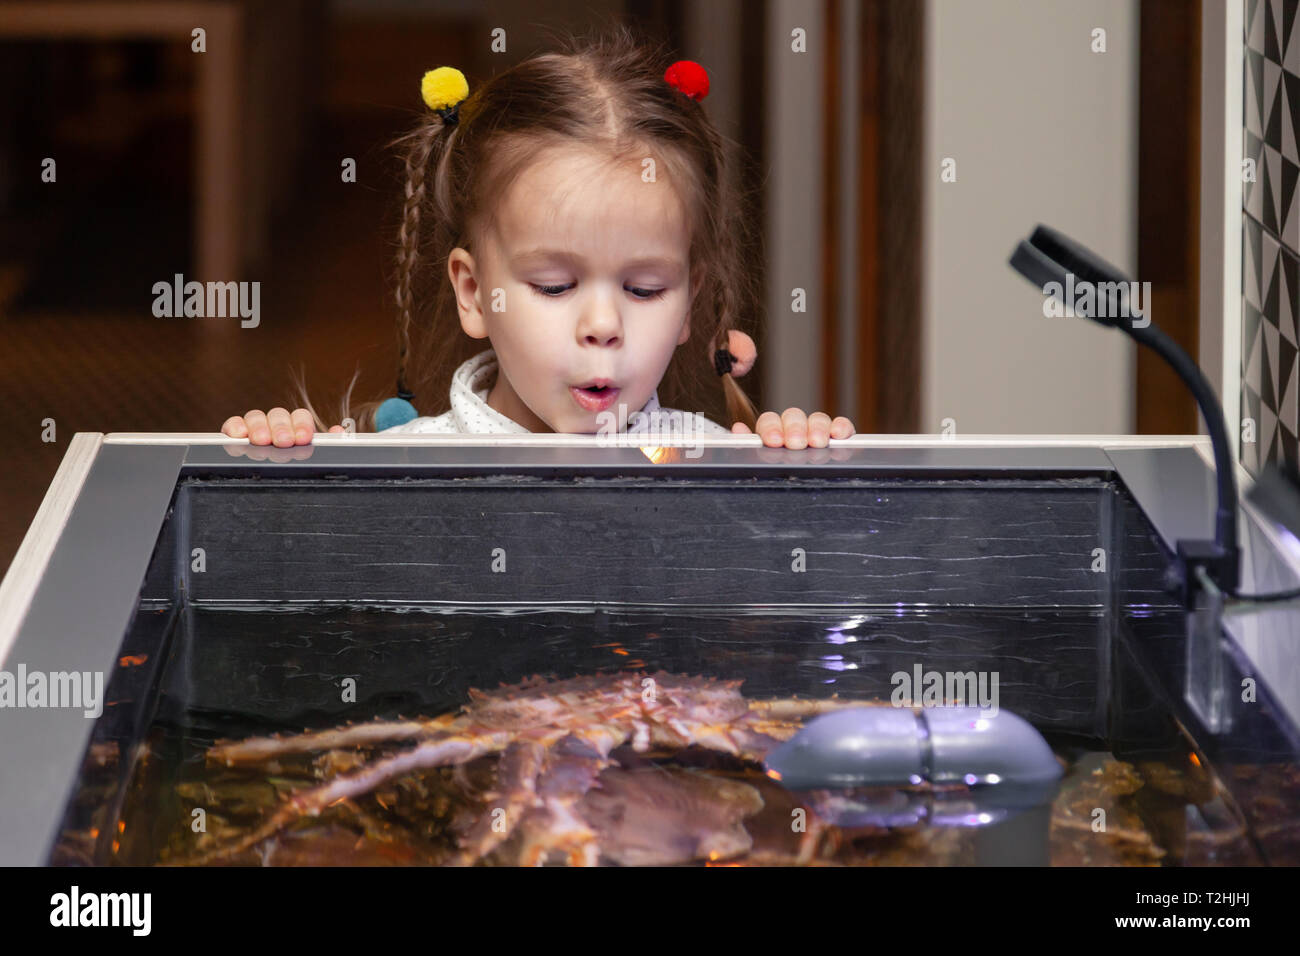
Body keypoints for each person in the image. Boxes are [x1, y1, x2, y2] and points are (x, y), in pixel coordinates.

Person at [222, 28, 854, 449]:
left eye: (644, 288)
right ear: (474, 293)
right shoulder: (400, 474)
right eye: (554, 286)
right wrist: (271, 484)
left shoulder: (715, 468)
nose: (603, 325)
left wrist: (804, 492)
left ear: (690, 301)